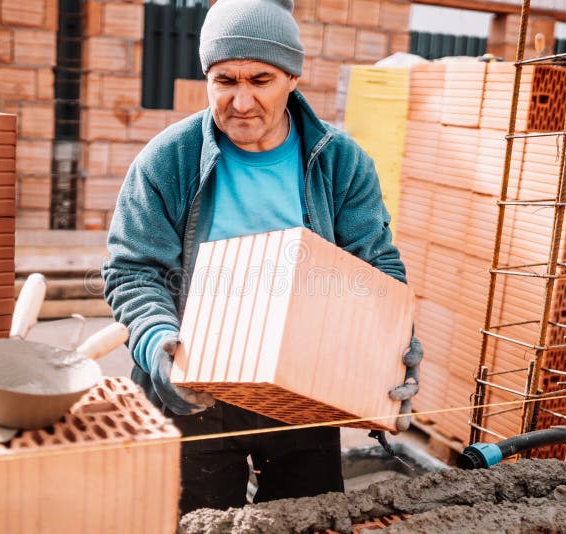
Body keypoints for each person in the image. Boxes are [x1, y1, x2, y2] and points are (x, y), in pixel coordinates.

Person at [102, 0, 423, 514]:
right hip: (196, 392)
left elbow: (377, 271)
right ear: (207, 78)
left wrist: (391, 350)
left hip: (304, 392)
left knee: (307, 520)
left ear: (293, 77)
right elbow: (133, 271)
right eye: (225, 80)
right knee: (196, 523)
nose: (241, 100)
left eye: (260, 79)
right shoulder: (168, 160)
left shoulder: (338, 162)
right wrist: (158, 343)